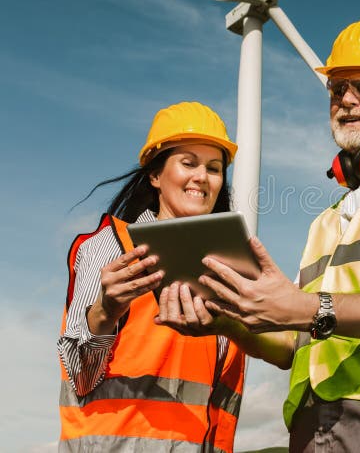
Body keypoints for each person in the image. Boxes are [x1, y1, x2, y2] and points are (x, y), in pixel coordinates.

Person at [160, 20, 360, 452]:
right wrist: (226, 321)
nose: (347, 100)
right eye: (337, 90)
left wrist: (304, 306)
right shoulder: (326, 222)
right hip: (311, 425)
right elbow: (290, 345)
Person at [57, 101, 291, 453]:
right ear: (154, 175)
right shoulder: (111, 246)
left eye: (214, 168)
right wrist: (105, 311)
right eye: (188, 163)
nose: (202, 176)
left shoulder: (232, 268)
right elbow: (81, 376)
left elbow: (285, 353)